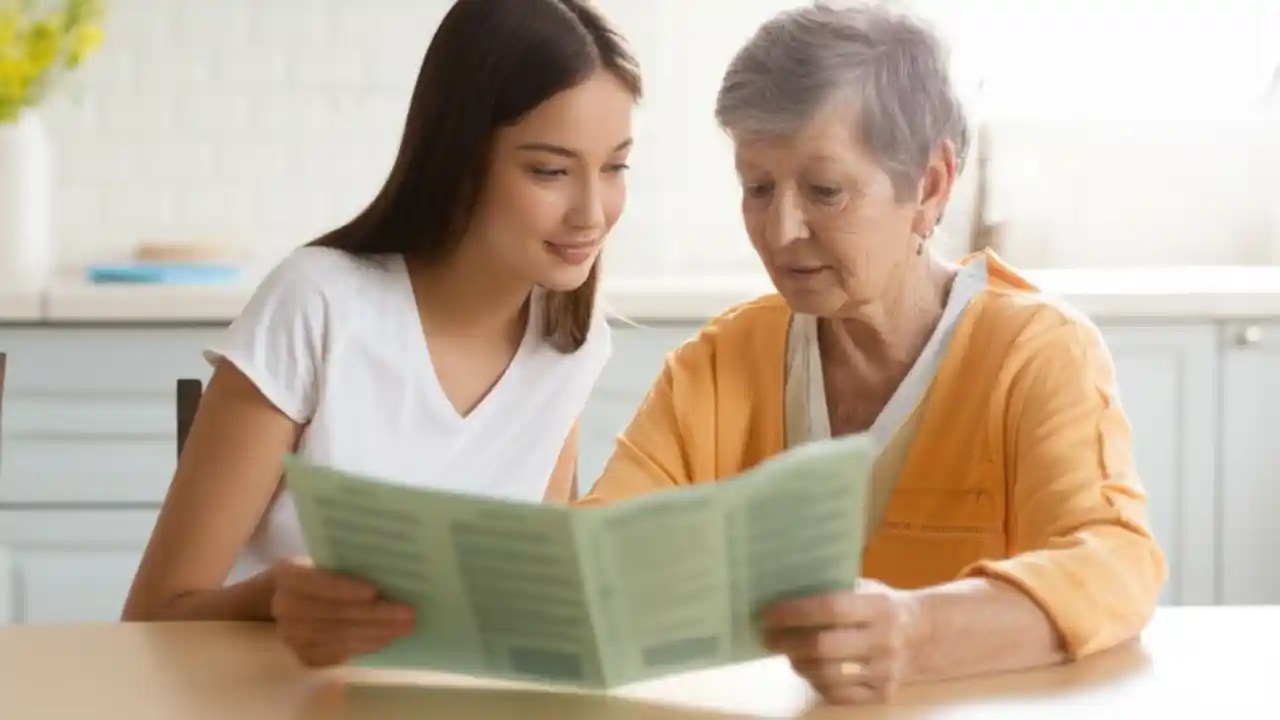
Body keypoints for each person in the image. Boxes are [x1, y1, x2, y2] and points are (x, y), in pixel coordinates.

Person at [579, 1, 1165, 706]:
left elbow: (1114, 566)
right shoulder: (719, 364)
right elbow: (595, 562)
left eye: (824, 191)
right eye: (757, 188)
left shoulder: (1036, 354)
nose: (781, 229)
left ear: (930, 185)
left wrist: (918, 632)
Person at [123, 0, 641, 669]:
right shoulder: (318, 306)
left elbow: (524, 602)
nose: (592, 213)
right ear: (460, 158)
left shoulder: (571, 343)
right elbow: (149, 620)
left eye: (615, 167)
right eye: (549, 170)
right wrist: (274, 597)